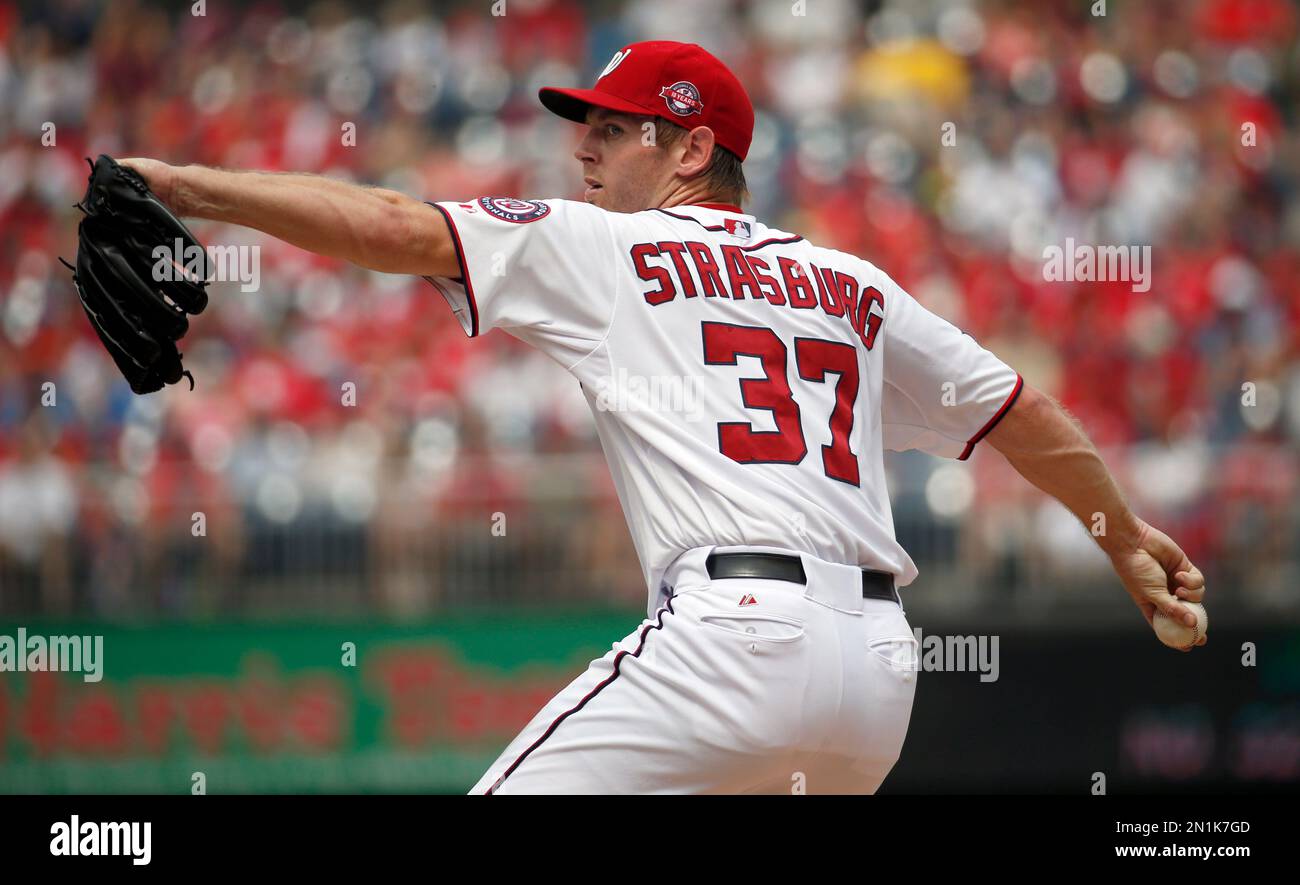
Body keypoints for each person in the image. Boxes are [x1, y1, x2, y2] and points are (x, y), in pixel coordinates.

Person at [119, 40, 1207, 794]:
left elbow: (397, 225)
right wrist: (1122, 540)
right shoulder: (856, 283)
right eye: (583, 127)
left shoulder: (609, 248)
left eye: (614, 130)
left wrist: (188, 187)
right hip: (877, 678)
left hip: (730, 642)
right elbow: (1018, 411)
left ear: (691, 152)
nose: (583, 149)